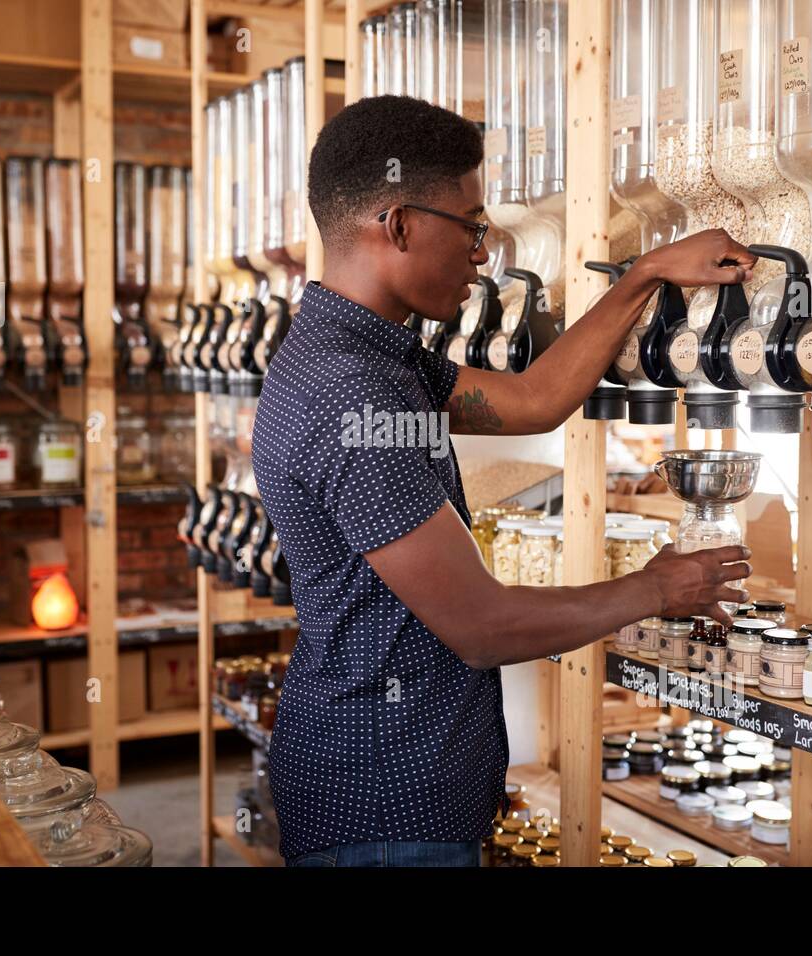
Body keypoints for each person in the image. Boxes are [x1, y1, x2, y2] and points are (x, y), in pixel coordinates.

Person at [251, 95, 756, 867]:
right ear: (399, 224)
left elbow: (529, 401)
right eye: (472, 226)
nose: (483, 254)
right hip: (386, 808)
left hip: (395, 789)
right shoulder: (350, 391)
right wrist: (658, 590)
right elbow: (481, 626)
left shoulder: (374, 353)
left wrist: (646, 275)